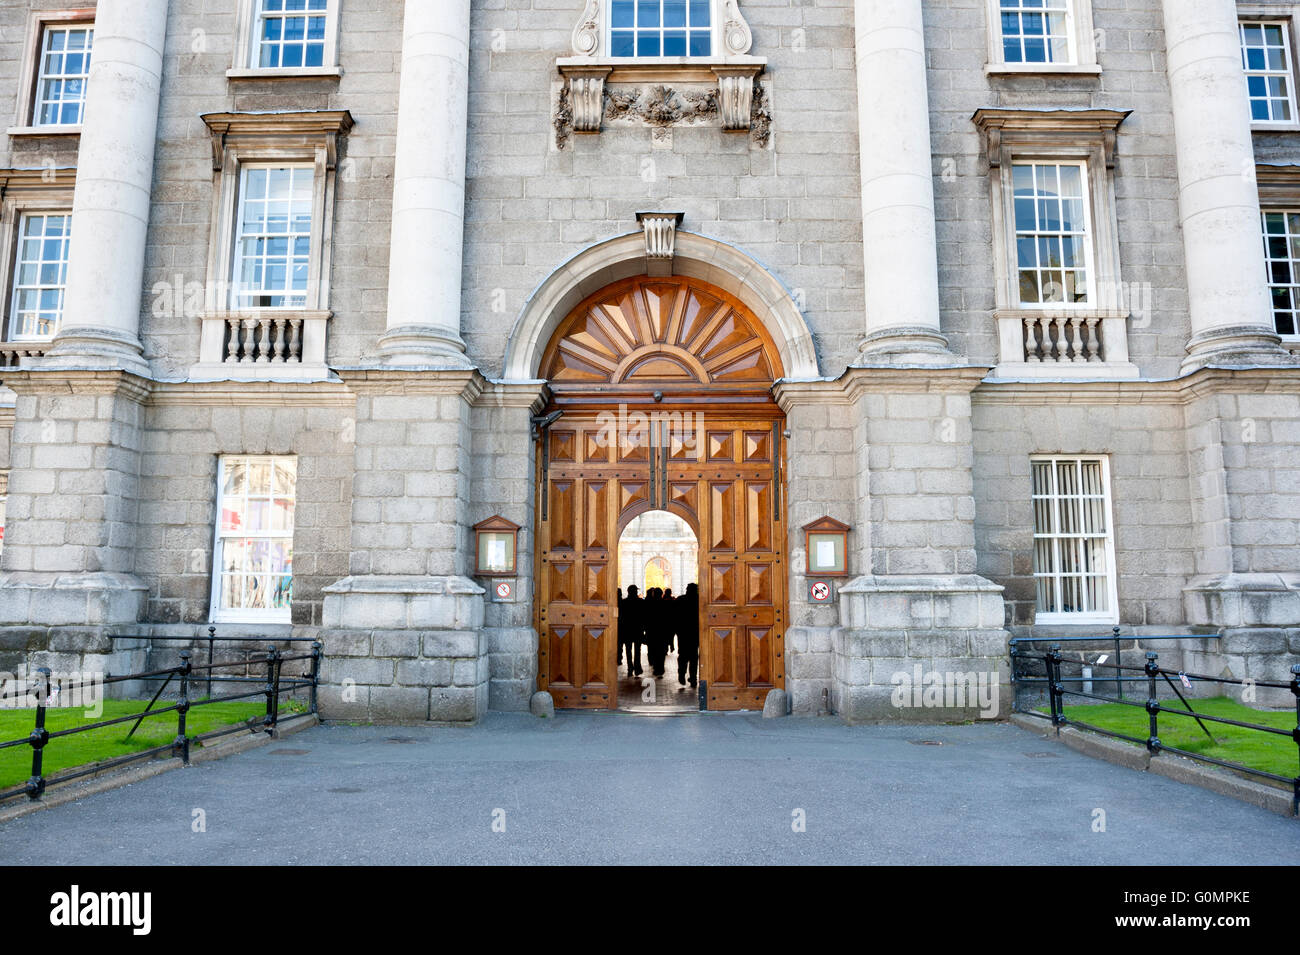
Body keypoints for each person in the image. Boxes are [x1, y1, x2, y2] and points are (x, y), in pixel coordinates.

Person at [676, 582, 700, 688]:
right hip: (695, 632)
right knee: (694, 656)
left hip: (683, 632)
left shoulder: (680, 600)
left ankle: (682, 674)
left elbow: (673, 615)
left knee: (683, 655)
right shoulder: (699, 600)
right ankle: (693, 678)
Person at [618, 585, 643, 677]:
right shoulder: (640, 602)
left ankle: (630, 668)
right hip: (637, 630)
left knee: (628, 650)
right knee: (637, 650)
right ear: (635, 592)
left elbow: (621, 617)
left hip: (627, 630)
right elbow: (643, 617)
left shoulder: (624, 603)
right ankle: (637, 668)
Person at [644, 587, 669, 678]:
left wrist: (645, 629)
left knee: (653, 648)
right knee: (661, 650)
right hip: (662, 631)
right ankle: (660, 667)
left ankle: (656, 666)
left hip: (652, 630)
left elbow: (646, 618)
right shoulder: (665, 604)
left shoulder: (650, 604)